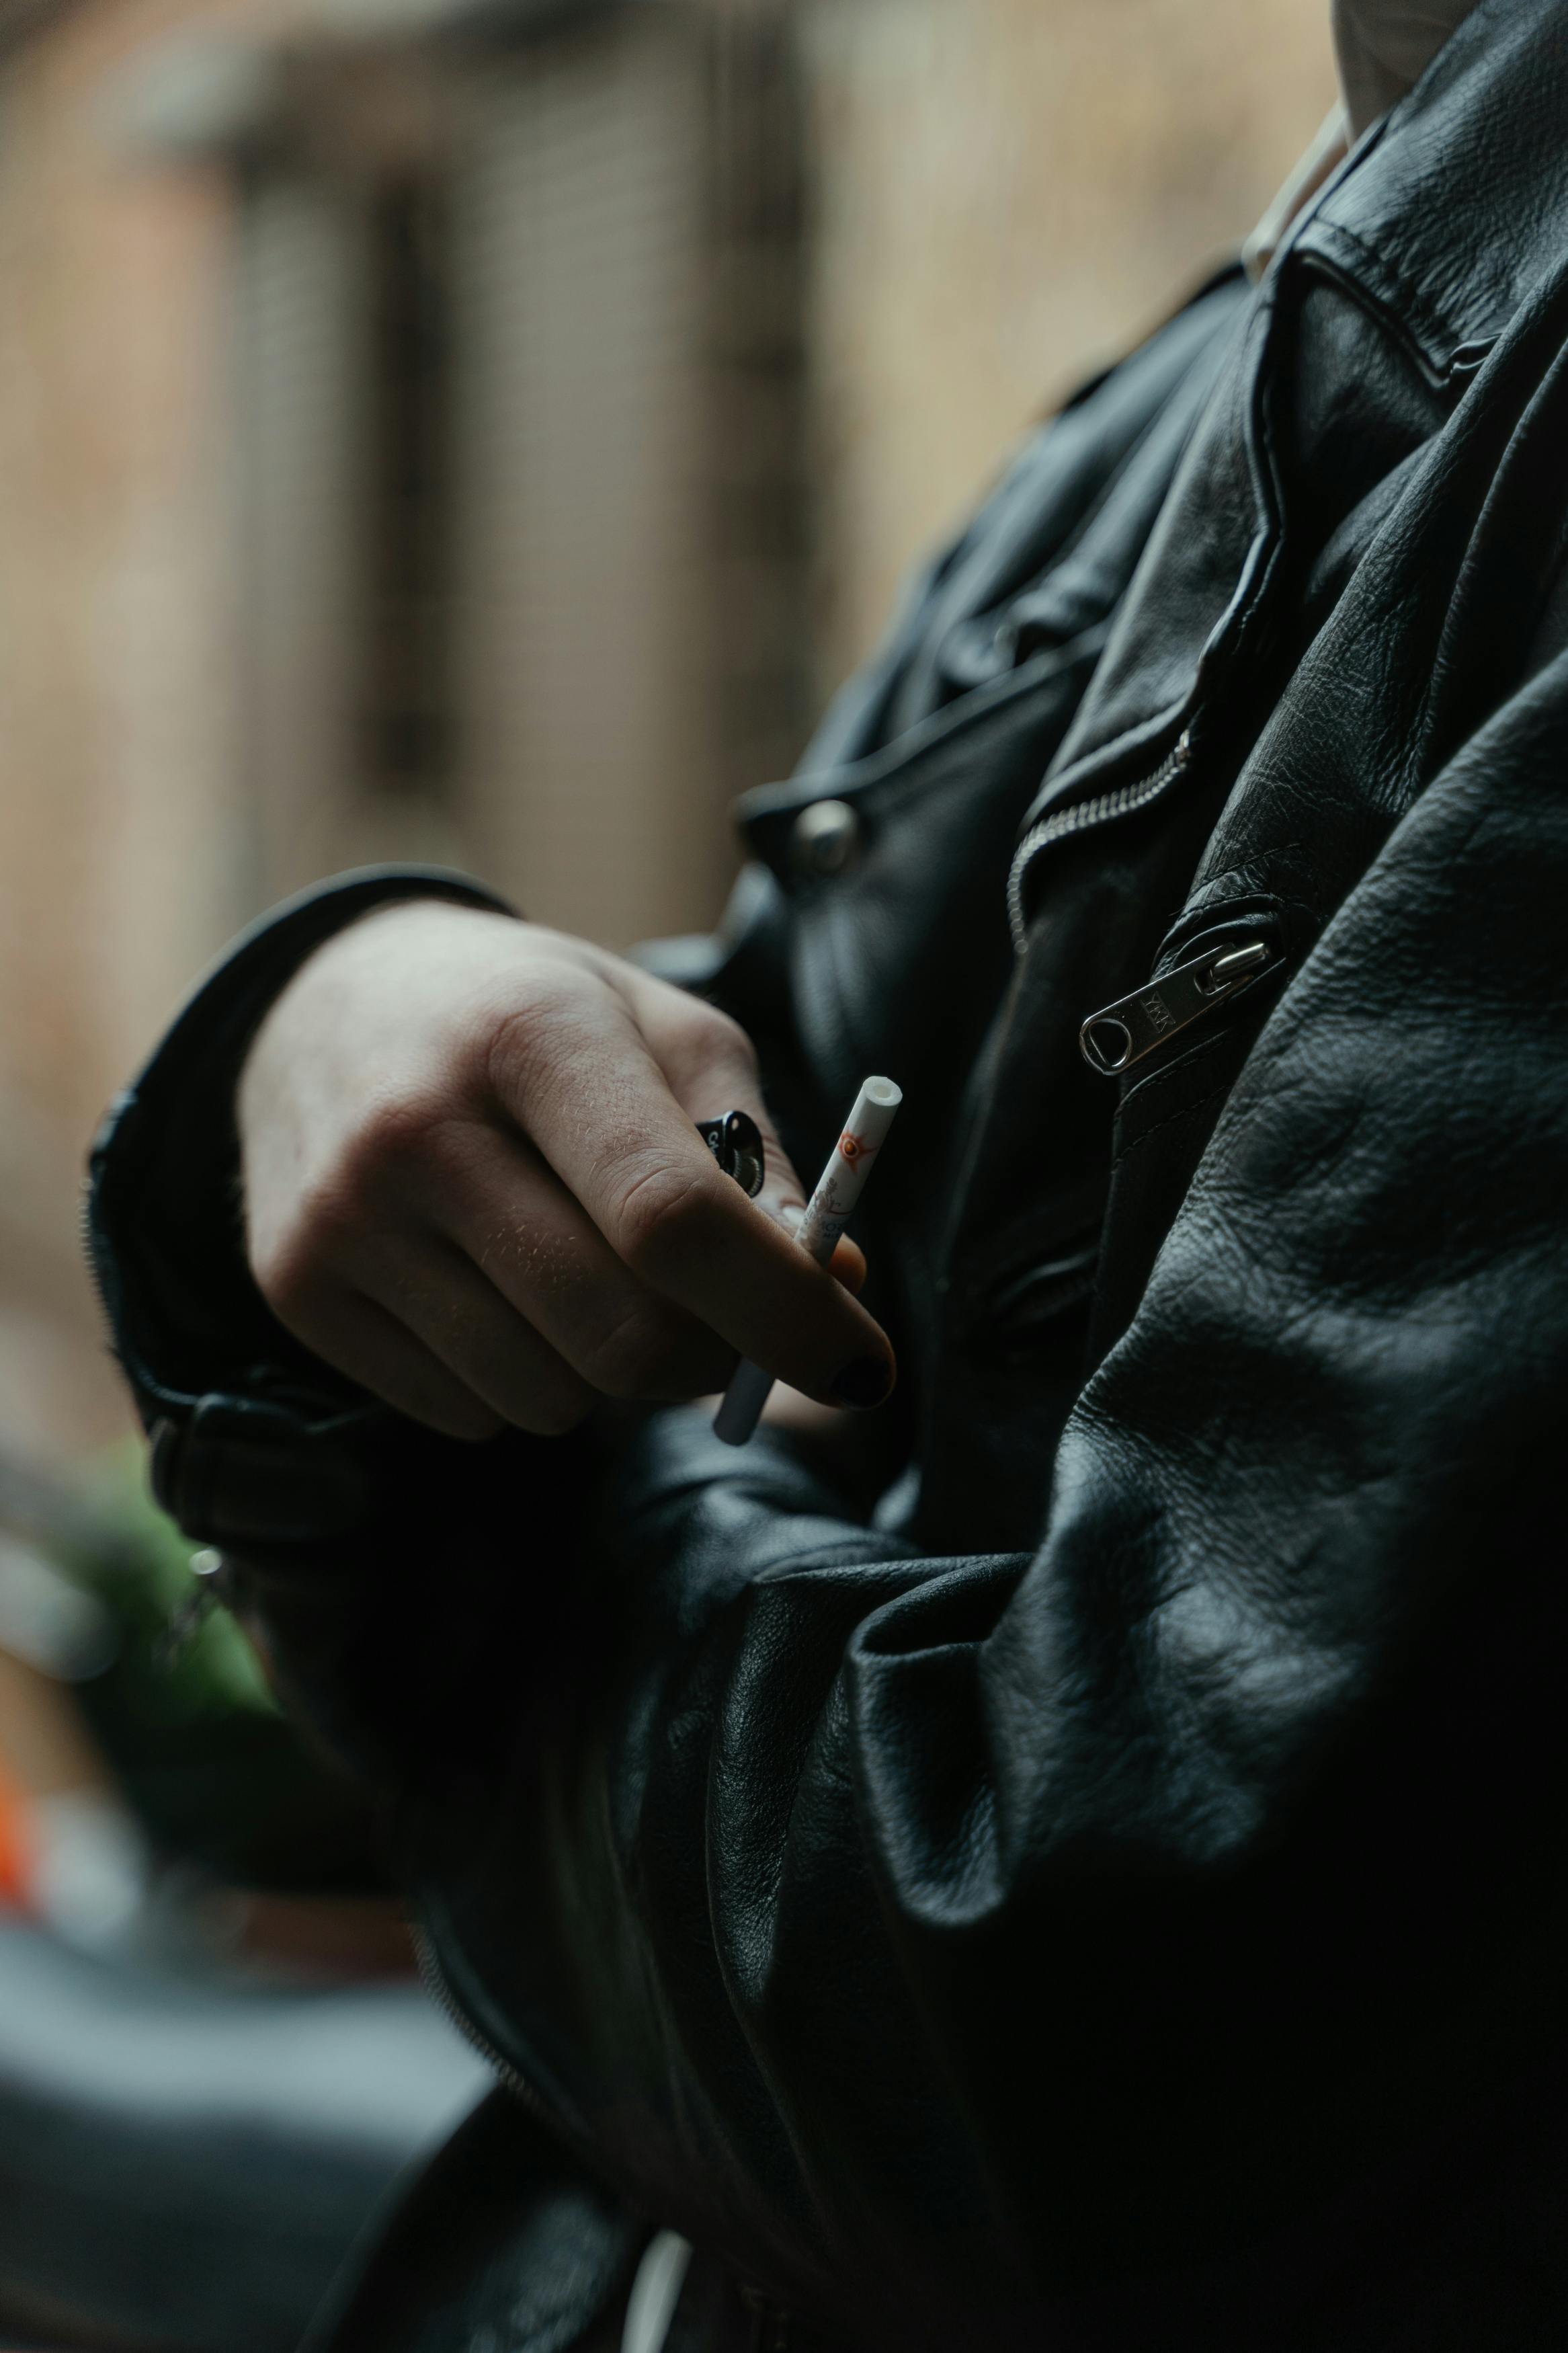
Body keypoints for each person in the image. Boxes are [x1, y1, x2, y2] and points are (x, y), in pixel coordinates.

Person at [87, 0, 1568, 2344]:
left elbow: (1075, 2015)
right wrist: (336, 1011)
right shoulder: (1266, 326)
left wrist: (466, 1548)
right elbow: (783, 1063)